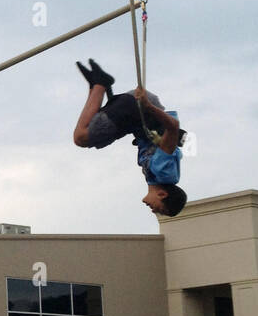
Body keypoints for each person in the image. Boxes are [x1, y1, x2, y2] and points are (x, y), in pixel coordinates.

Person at [73, 60, 187, 217]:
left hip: (136, 120)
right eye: (158, 209)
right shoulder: (165, 173)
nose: (153, 210)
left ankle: (97, 84)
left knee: (96, 138)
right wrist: (147, 106)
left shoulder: (155, 177)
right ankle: (100, 83)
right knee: (81, 137)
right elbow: (173, 126)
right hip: (139, 109)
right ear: (162, 195)